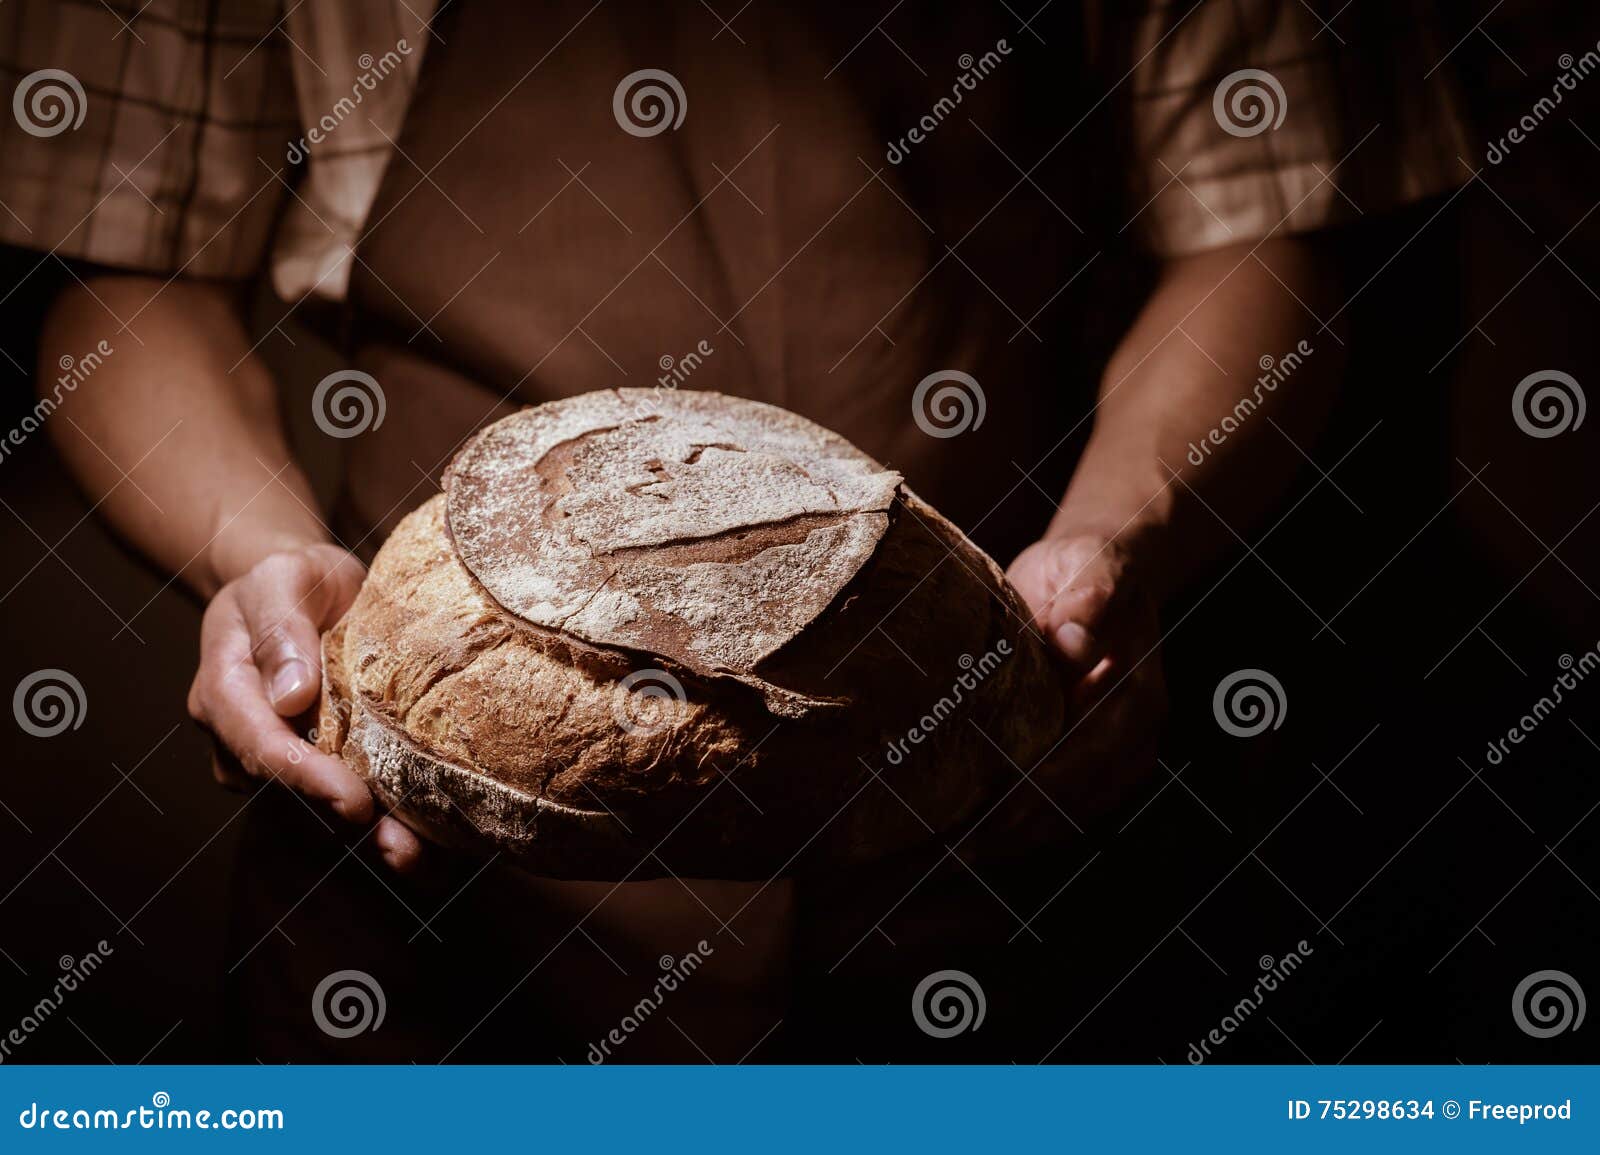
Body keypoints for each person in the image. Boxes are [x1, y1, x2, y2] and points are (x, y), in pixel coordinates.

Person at [1, 0, 1463, 1059]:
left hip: (985, 781)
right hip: (440, 877)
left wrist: (1124, 533)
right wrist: (263, 559)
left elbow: (1260, 227)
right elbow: (129, 271)